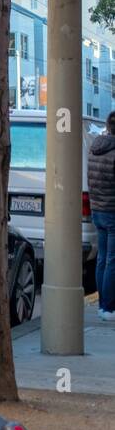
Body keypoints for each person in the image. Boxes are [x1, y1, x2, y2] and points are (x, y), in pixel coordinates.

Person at [88, 112, 115, 321]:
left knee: (102, 259)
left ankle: (101, 306)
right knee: (111, 261)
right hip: (112, 210)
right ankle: (108, 308)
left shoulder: (95, 148)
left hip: (97, 209)